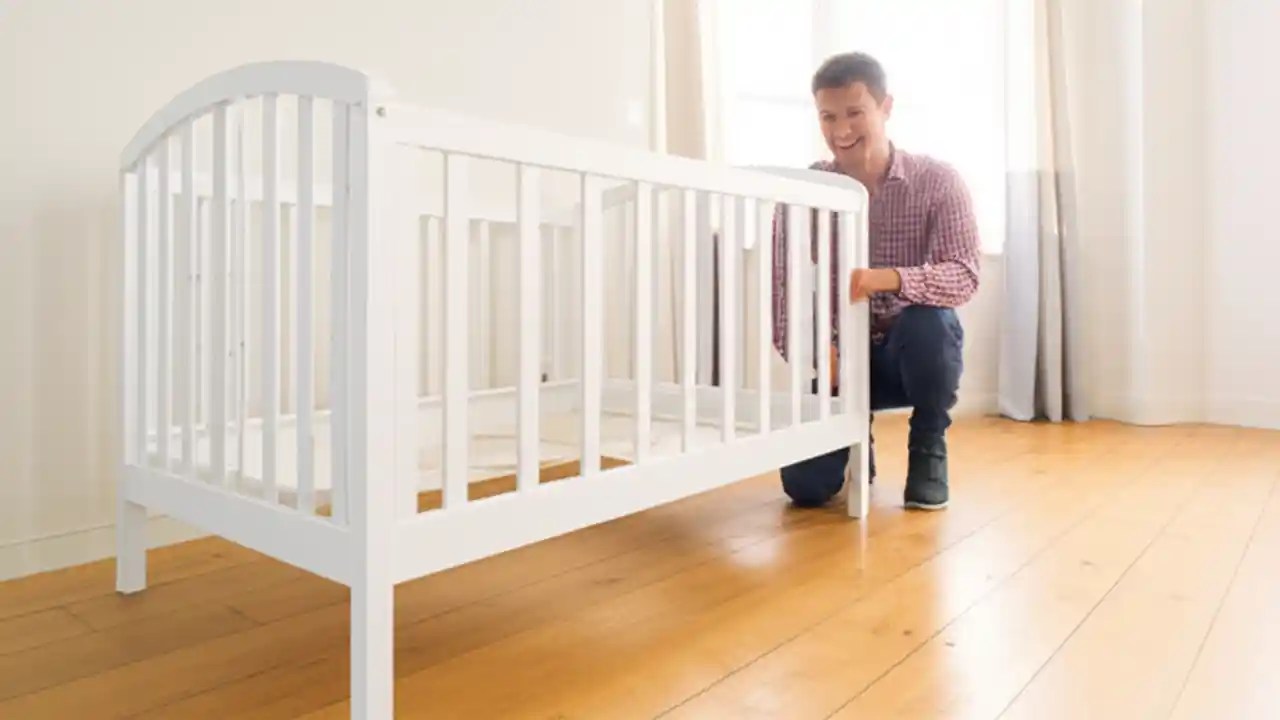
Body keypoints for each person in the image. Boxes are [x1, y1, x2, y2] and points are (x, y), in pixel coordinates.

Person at [771, 51, 980, 511]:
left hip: (909, 356)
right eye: (828, 116)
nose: (841, 130)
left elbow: (964, 273)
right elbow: (783, 291)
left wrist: (888, 280)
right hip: (842, 359)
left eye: (854, 113)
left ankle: (928, 443)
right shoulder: (804, 191)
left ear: (885, 107)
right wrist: (814, 349)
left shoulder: (938, 181)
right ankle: (851, 440)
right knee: (805, 490)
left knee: (931, 321)